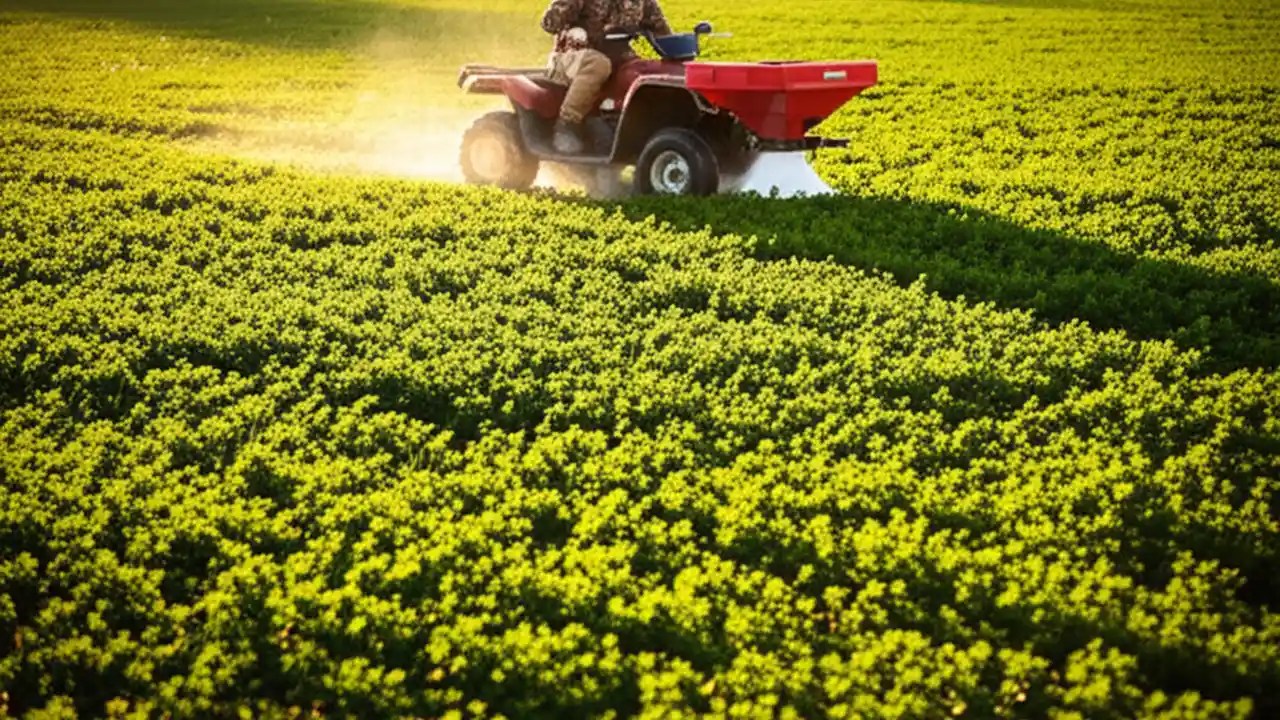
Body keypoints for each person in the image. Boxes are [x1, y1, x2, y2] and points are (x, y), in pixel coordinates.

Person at [541, 0, 672, 154]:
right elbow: (548, 23)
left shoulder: (642, 2)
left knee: (642, 72)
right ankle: (567, 124)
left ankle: (636, 128)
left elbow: (662, 32)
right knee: (599, 64)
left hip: (617, 55)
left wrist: (677, 54)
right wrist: (566, 11)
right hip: (572, 55)